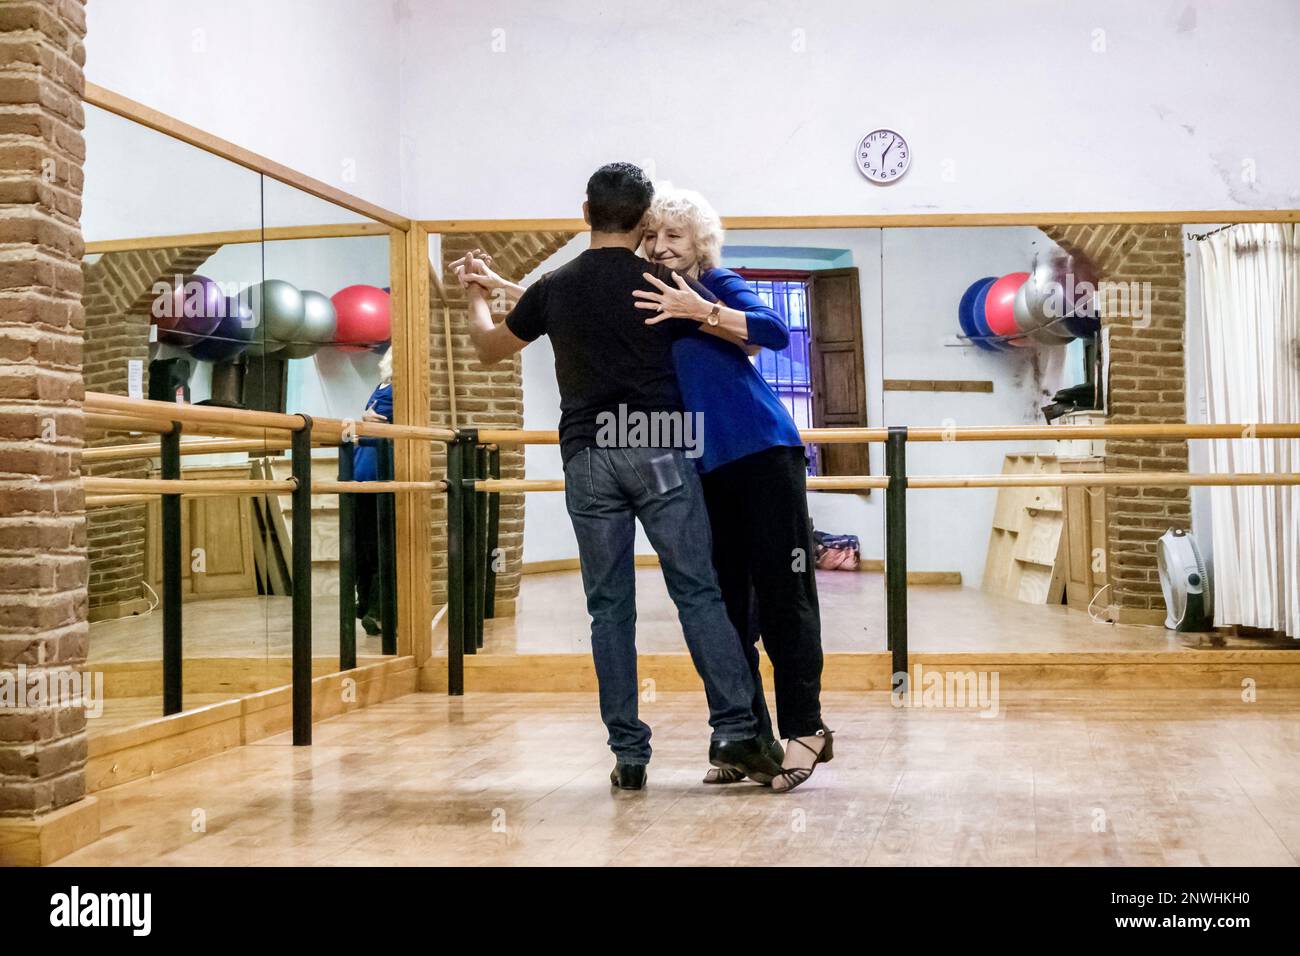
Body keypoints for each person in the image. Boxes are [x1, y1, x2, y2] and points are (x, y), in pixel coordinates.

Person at [456, 162, 783, 791]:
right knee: (698, 592)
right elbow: (751, 339)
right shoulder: (664, 284)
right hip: (661, 442)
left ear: (586, 213)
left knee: (609, 610)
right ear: (643, 223)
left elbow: (490, 347)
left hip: (587, 450)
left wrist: (476, 291)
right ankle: (737, 730)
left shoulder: (556, 286)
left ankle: (629, 754)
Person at [634, 187, 831, 793]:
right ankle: (751, 736)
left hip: (763, 453)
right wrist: (502, 293)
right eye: (651, 237)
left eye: (675, 237)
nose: (661, 247)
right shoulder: (646, 294)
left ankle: (808, 728)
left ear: (699, 245)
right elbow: (575, 304)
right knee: (724, 611)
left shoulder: (717, 281)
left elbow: (774, 333)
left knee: (783, 594)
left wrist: (703, 311)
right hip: (703, 468)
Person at [351, 348, 394, 636]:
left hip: (382, 470)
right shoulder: (382, 387)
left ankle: (376, 609)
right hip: (364, 470)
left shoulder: (398, 390)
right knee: (366, 546)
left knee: (380, 544)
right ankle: (367, 604)